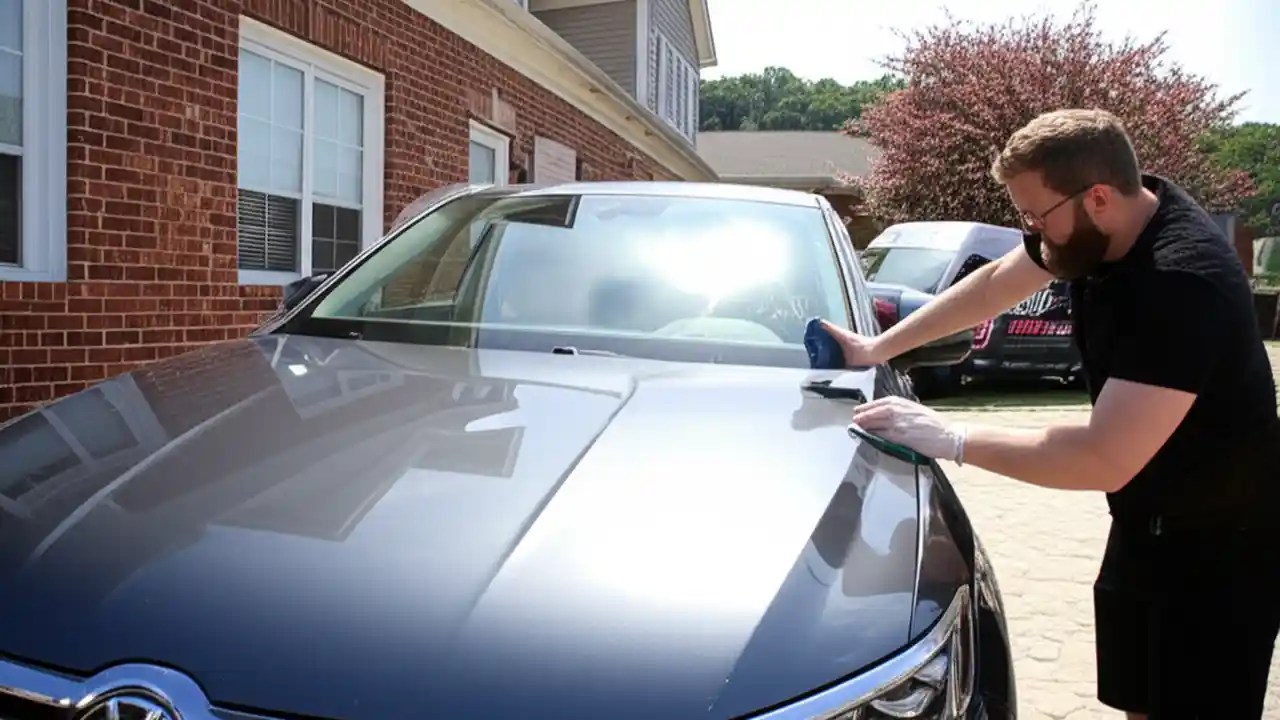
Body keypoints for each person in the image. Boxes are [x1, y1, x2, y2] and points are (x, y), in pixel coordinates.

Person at [823, 108, 1280, 719]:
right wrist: (878, 347)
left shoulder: (1181, 282)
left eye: (1038, 215)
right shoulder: (1101, 225)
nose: (1031, 230)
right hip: (1147, 524)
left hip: (1225, 550)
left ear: (1096, 196)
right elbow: (994, 286)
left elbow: (1102, 456)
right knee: (1141, 702)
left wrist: (950, 436)